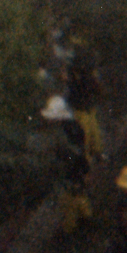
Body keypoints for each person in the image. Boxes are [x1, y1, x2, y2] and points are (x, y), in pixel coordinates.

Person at [39, 95, 92, 233]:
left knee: (69, 200)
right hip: (77, 165)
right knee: (79, 194)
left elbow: (73, 153)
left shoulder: (67, 131)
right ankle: (86, 216)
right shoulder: (73, 126)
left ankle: (70, 228)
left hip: (73, 167)